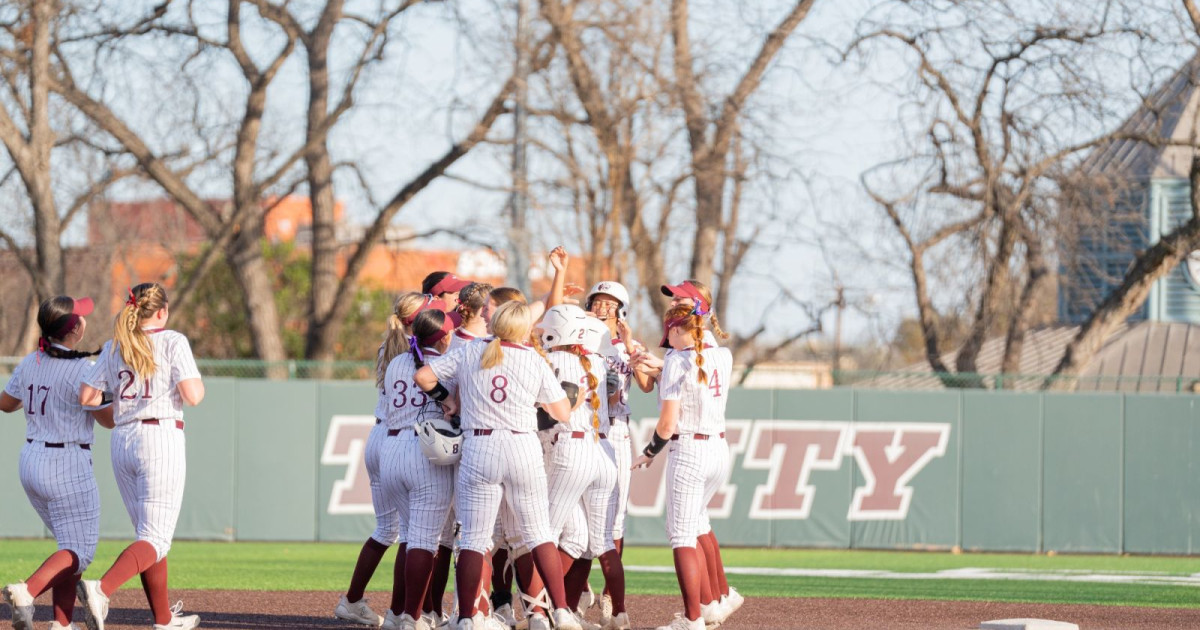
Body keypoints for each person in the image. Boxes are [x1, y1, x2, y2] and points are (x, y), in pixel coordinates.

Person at [414, 301, 582, 630]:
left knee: (474, 539)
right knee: (538, 534)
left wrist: (447, 400)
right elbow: (563, 412)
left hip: (480, 444)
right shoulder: (533, 358)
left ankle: (466, 618)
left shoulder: (471, 351)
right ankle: (560, 611)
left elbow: (423, 376)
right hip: (522, 444)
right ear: (524, 329)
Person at [76, 283, 205, 630]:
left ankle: (164, 619)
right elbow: (194, 395)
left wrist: (117, 400)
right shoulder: (172, 340)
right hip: (159, 436)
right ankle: (100, 589)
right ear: (161, 312)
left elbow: (87, 397)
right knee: (156, 538)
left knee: (148, 534)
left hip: (122, 438)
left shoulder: (115, 344)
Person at [632, 280, 742, 621]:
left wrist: (649, 452)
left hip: (690, 450)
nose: (671, 303)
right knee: (697, 525)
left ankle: (692, 618)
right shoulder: (722, 353)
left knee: (681, 534)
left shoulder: (679, 361)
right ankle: (716, 601)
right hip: (717, 449)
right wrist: (660, 366)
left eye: (679, 299)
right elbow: (693, 367)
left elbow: (667, 425)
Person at [1, 296, 110, 630]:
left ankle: (62, 625)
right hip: (66, 461)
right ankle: (27, 590)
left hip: (32, 458)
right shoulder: (82, 368)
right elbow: (108, 420)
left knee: (68, 544)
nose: (84, 320)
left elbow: (6, 404)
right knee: (81, 550)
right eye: (81, 317)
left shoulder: (31, 361)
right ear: (74, 329)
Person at [336, 292, 437, 627]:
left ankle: (353, 600)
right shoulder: (421, 349)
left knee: (387, 529)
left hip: (381, 435)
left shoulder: (389, 346)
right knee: (409, 533)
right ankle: (398, 613)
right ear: (416, 319)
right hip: (404, 438)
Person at [538, 306, 630, 630]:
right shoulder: (596, 360)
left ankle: (539, 614)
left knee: (542, 535)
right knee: (587, 539)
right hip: (603, 448)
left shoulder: (560, 360)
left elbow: (559, 409)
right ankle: (618, 613)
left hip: (572, 447)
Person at [380, 308, 462, 630]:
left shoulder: (396, 361)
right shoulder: (445, 366)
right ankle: (412, 618)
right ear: (442, 337)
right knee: (425, 542)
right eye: (449, 331)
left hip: (392, 449)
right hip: (424, 451)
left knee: (411, 536)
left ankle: (395, 614)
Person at [582, 281, 651, 627]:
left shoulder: (629, 344)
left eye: (609, 303)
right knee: (577, 512)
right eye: (598, 301)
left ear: (620, 309)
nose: (602, 307)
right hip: (585, 429)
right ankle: (579, 585)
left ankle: (610, 594)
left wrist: (627, 346)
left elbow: (646, 384)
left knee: (615, 518)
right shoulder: (580, 339)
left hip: (619, 428)